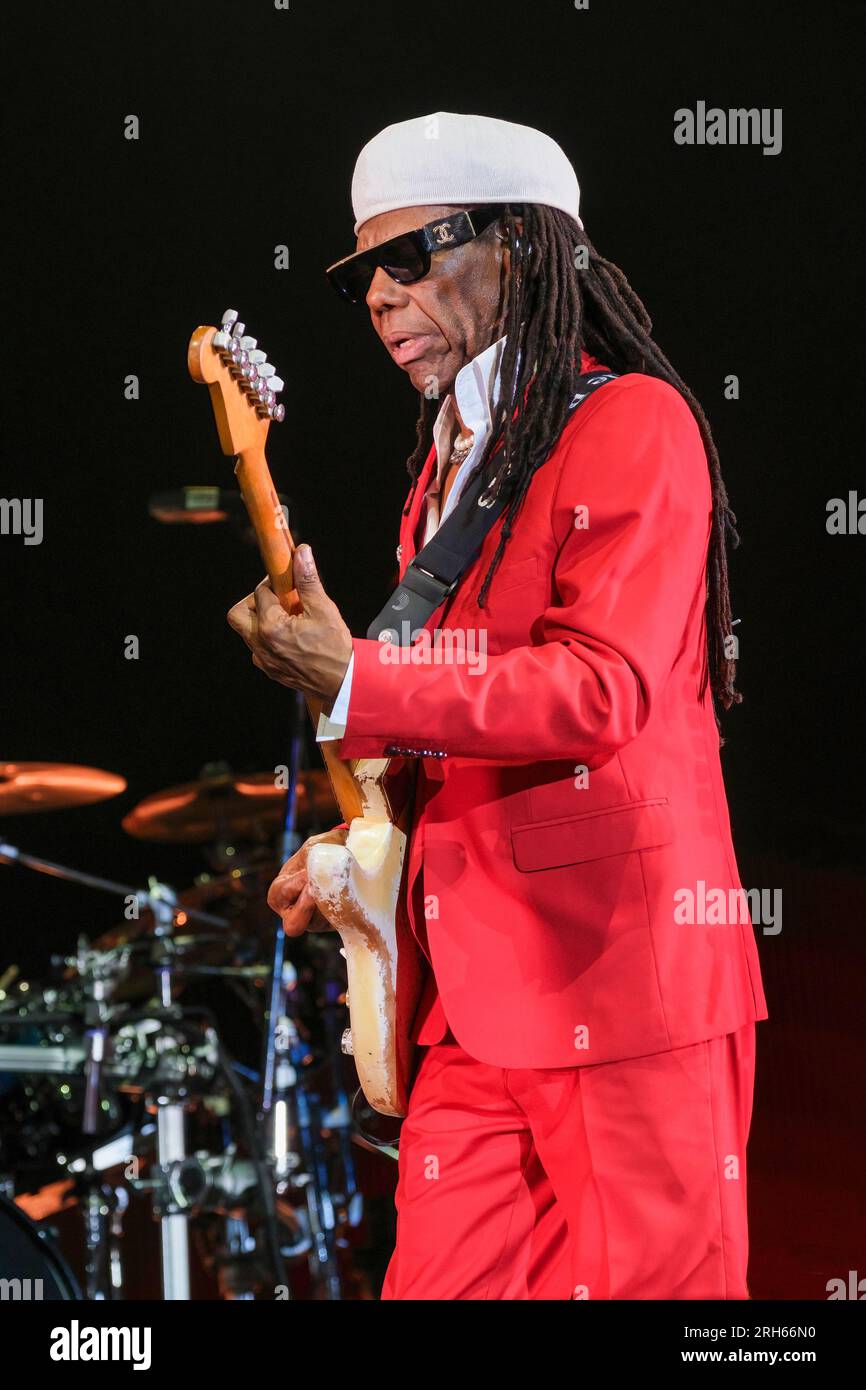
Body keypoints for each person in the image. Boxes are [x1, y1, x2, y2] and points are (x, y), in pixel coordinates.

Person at [227, 111, 768, 1300]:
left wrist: (354, 675)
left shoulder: (632, 421)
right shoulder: (446, 469)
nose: (377, 293)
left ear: (521, 247)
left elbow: (598, 688)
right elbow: (462, 724)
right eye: (360, 270)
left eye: (411, 254)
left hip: (619, 977)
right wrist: (364, 850)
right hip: (468, 1002)